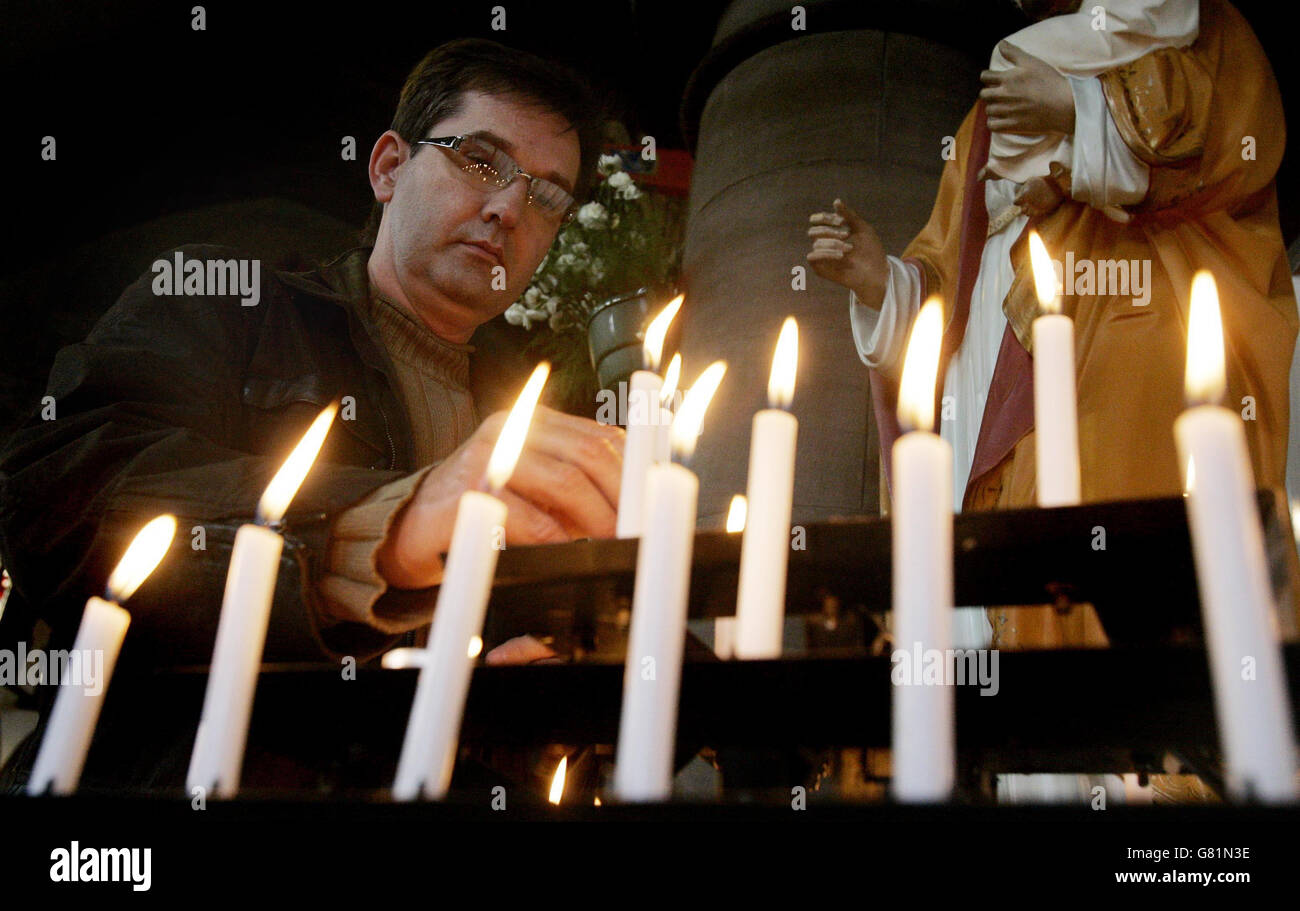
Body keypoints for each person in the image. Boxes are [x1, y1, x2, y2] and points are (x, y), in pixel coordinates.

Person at [0, 39, 622, 788]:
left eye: (547, 194)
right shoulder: (229, 301)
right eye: (482, 160)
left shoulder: (531, 407)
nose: (508, 207)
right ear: (389, 167)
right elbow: (57, 493)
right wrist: (373, 529)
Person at [807, 0, 1295, 802]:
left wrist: (1078, 112)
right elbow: (945, 255)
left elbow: (1236, 153)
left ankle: (1128, 772)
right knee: (985, 559)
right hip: (992, 340)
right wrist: (881, 282)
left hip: (1126, 310)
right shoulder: (1005, 73)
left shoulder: (1209, 33)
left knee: (1106, 531)